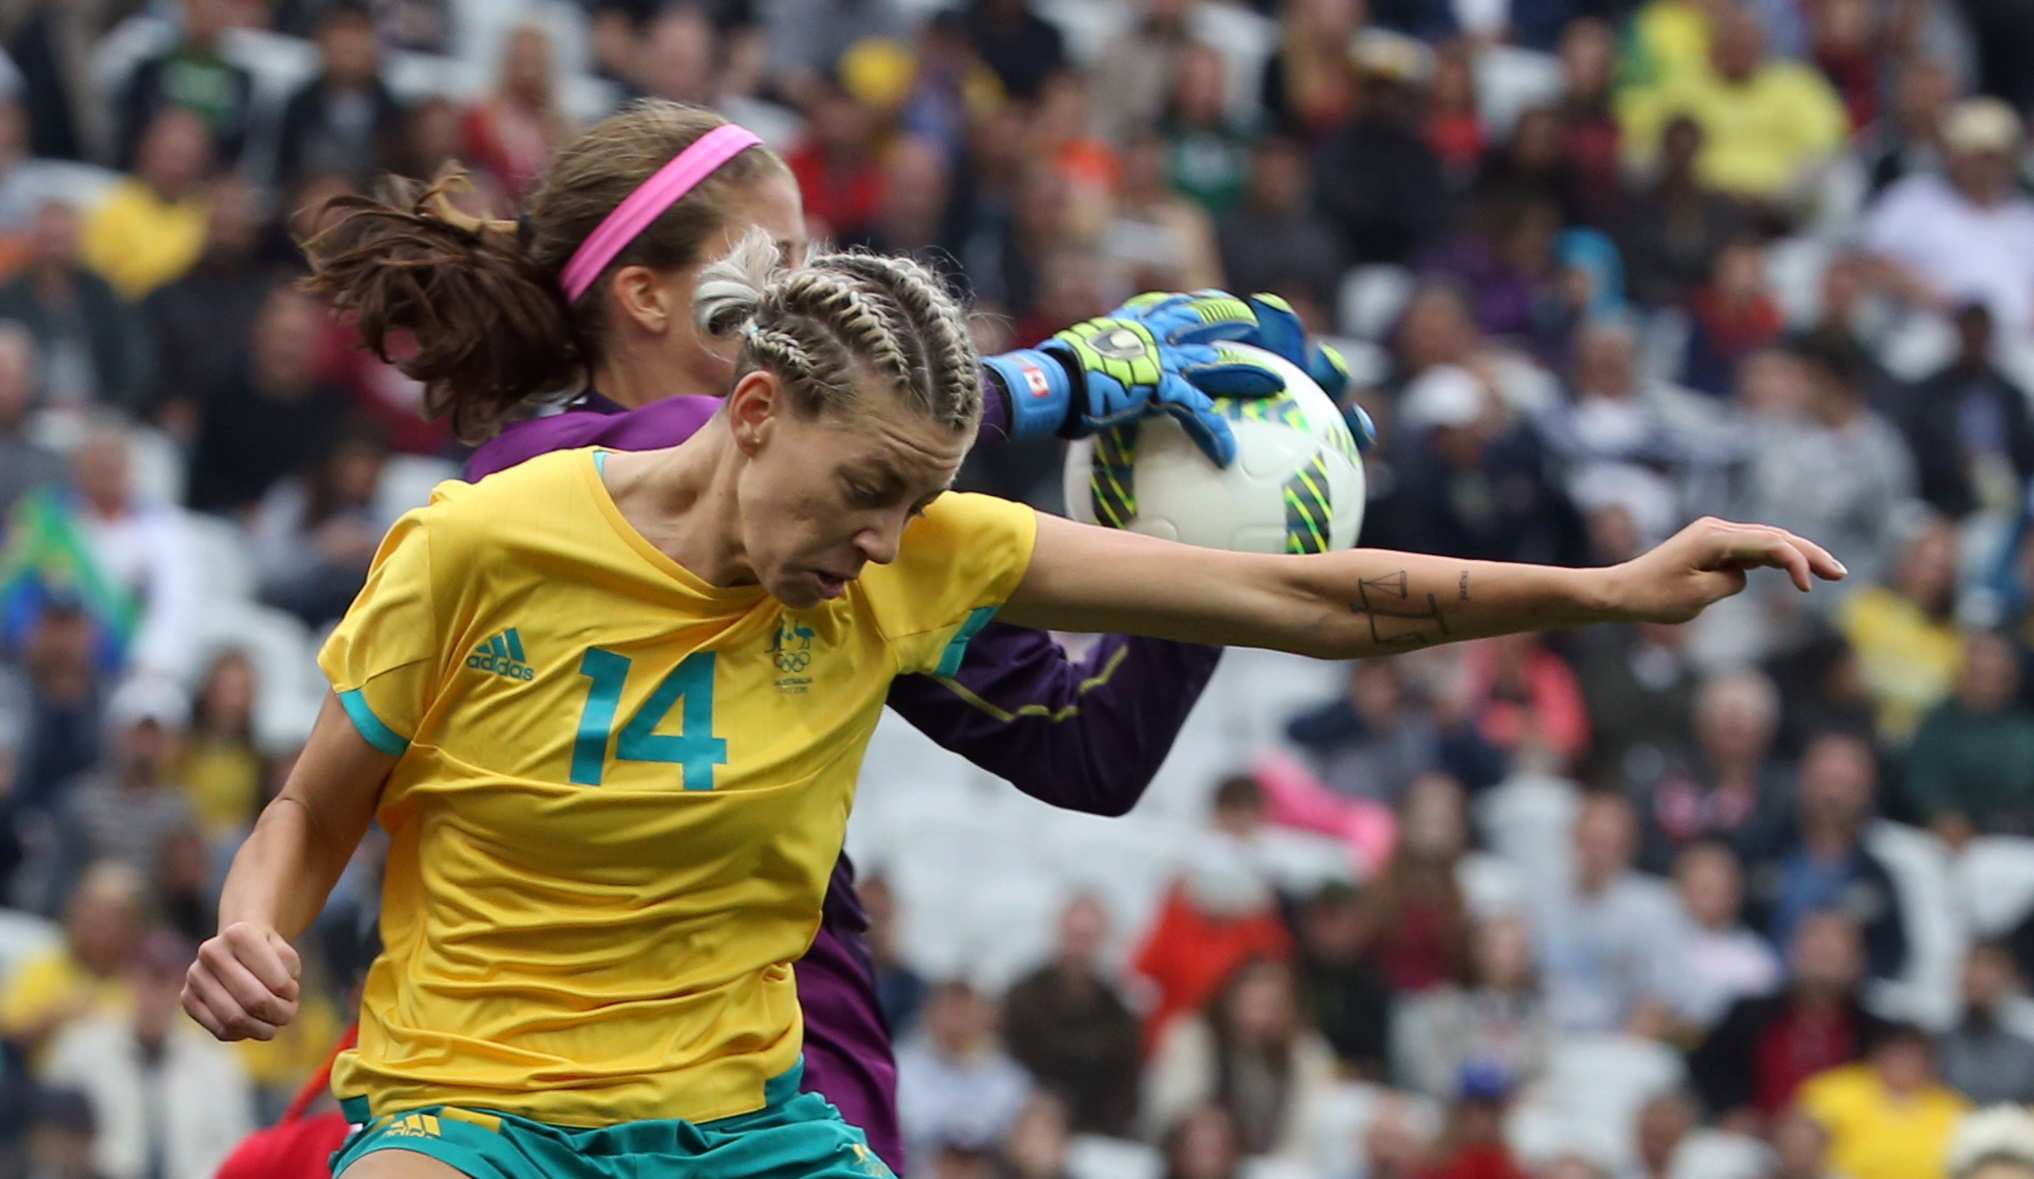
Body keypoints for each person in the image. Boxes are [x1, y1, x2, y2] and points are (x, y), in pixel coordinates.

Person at [190, 156, 1839, 1179]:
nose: (871, 545)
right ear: (752, 400)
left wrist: (1604, 589)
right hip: (478, 1108)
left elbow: (1307, 604)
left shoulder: (906, 551)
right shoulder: (489, 534)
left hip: (747, 1110)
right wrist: (252, 915)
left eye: (908, 503)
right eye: (856, 494)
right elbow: (312, 799)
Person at [220, 101, 1348, 1178]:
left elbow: (1084, 746)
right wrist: (1028, 384)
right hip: (542, 1103)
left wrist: (1210, 534)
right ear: (648, 297)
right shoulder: (536, 496)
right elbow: (714, 436)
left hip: (788, 1082)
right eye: (776, 261)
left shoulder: (856, 540)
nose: (809, 295)